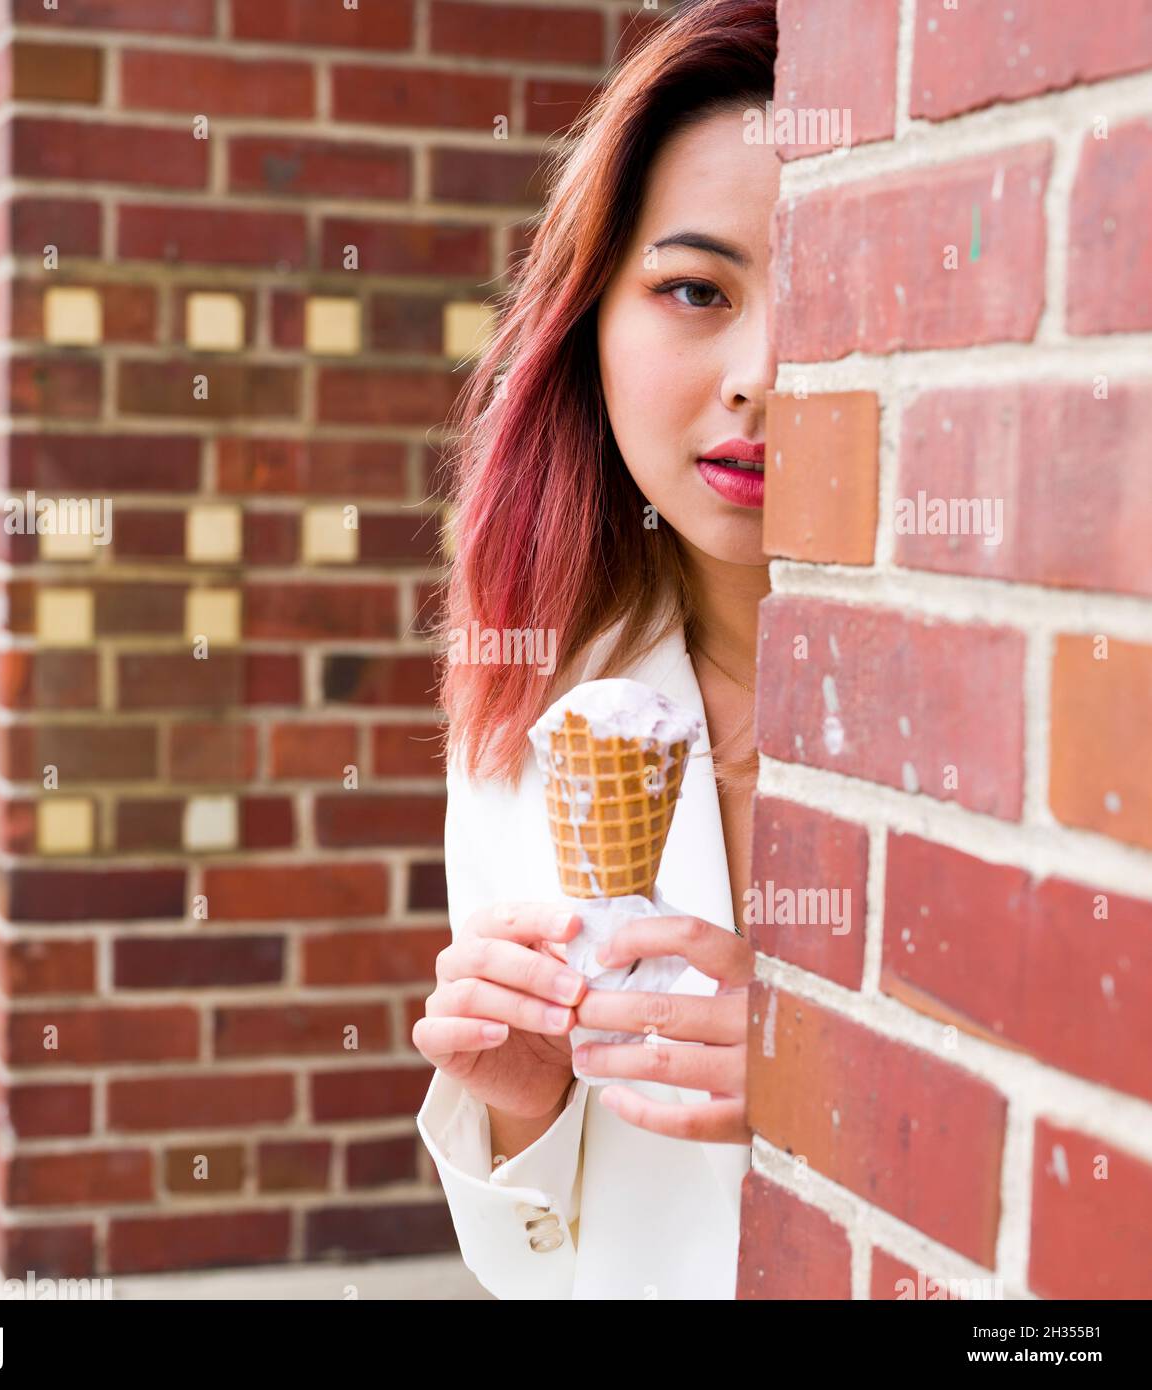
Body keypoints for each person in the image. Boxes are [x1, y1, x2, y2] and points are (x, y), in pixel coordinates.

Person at [413, 0, 779, 1300]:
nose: (760, 372)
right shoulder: (532, 701)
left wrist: (839, 1097)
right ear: (593, 322)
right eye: (696, 289)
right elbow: (541, 1266)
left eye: (825, 294)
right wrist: (522, 1110)